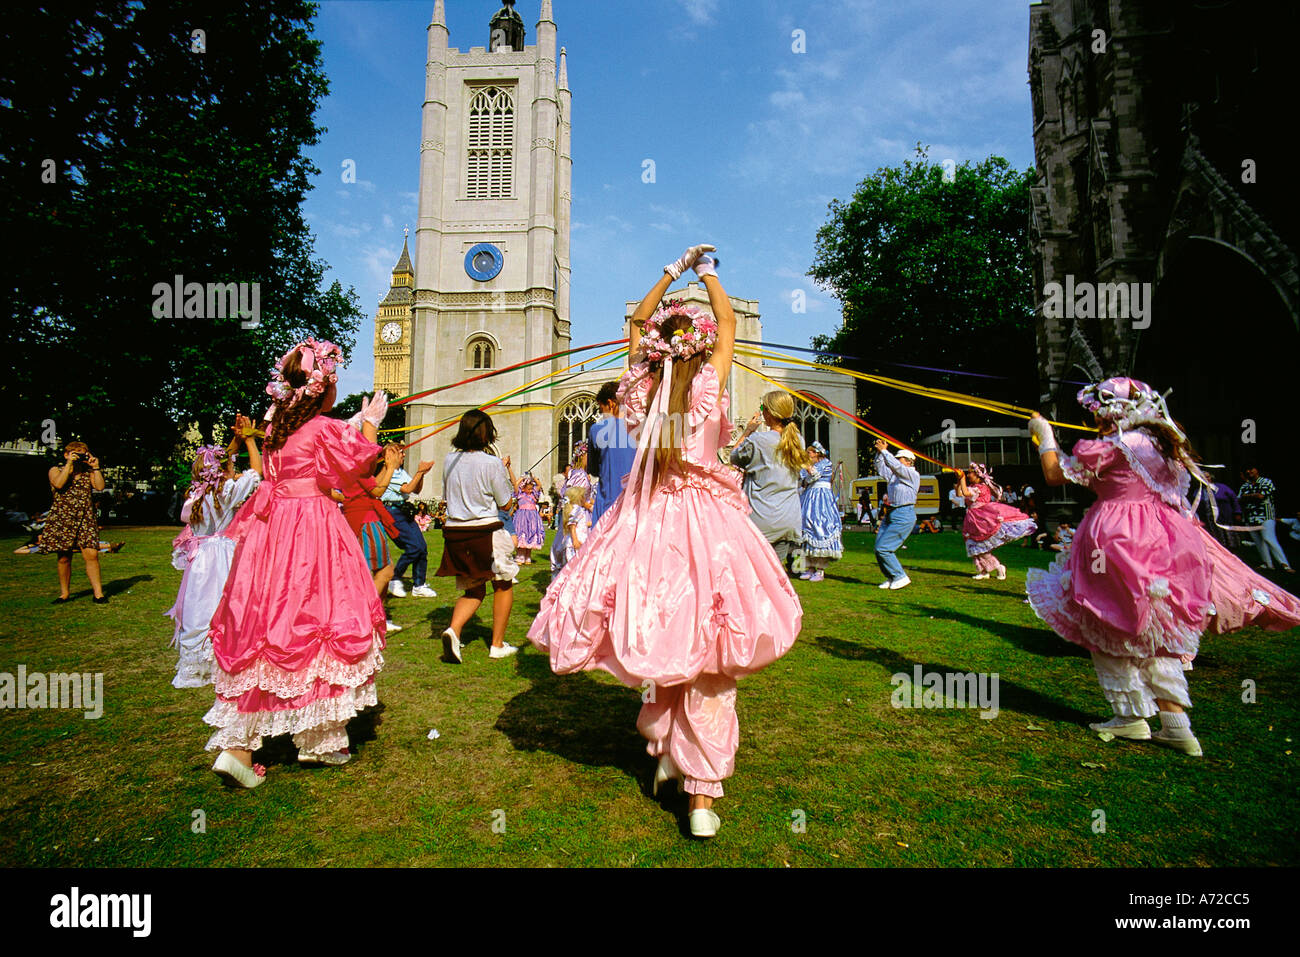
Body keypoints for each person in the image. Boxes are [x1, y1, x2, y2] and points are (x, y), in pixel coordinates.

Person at [529, 246, 802, 839]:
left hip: (649, 522)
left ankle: (665, 752)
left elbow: (633, 325)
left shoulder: (640, 390)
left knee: (662, 628)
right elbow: (728, 323)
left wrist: (670, 273)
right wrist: (708, 275)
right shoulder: (710, 381)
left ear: (654, 348)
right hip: (708, 526)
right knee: (710, 646)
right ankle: (701, 794)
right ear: (701, 346)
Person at [1026, 377, 1300, 757]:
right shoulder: (1163, 445)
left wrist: (1044, 436)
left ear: (1113, 412)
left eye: (1098, 413)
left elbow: (1056, 476)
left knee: (1105, 619)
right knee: (1152, 628)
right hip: (1162, 537)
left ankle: (1131, 717)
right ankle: (1176, 727)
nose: (1095, 421)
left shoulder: (1116, 445)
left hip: (1117, 536)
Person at [204, 340, 389, 787]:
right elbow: (355, 469)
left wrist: (354, 426)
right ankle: (319, 743)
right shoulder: (323, 427)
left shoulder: (275, 433)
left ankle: (238, 747)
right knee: (323, 617)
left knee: (265, 624)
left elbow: (315, 467)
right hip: (313, 529)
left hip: (271, 532)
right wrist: (369, 426)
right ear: (320, 388)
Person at [167, 421, 262, 688]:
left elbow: (221, 460)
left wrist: (236, 441)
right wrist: (250, 441)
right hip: (222, 554)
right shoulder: (227, 493)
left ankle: (194, 662)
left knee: (198, 605)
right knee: (224, 602)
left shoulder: (196, 492)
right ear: (223, 472)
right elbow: (256, 472)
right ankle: (224, 655)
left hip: (199, 559)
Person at [435, 411, 520, 663]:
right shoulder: (491, 463)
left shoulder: (449, 460)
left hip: (456, 533)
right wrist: (504, 477)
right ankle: (497, 644)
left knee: (474, 589)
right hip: (485, 532)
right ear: (487, 434)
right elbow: (505, 503)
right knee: (503, 584)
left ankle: (454, 630)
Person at [730, 391, 807, 574]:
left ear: (769, 413)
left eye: (763, 408)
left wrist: (748, 431)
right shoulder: (799, 441)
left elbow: (734, 456)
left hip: (763, 517)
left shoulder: (758, 440)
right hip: (789, 517)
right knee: (774, 575)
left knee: (752, 575)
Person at [337, 443, 407, 634]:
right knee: (384, 571)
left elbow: (373, 485)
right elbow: (377, 491)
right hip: (366, 521)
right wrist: (391, 467)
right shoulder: (357, 470)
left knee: (381, 570)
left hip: (363, 519)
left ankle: (377, 616)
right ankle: (364, 616)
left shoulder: (354, 471)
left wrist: (386, 465)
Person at [40, 441, 108, 604]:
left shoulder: (88, 471)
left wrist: (96, 467)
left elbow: (99, 487)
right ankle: (64, 593)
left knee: (91, 554)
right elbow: (59, 483)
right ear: (66, 454)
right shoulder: (55, 470)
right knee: (64, 557)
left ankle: (98, 593)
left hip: (85, 517)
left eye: (82, 453)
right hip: (63, 518)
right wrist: (69, 464)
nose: (79, 456)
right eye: (75, 453)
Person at [956, 462, 1036, 580]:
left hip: (982, 518)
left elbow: (966, 493)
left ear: (978, 475)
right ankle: (984, 571)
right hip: (973, 518)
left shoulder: (981, 488)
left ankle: (998, 567)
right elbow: (960, 493)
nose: (968, 475)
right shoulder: (973, 487)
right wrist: (959, 480)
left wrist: (962, 478)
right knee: (974, 545)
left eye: (970, 473)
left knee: (980, 546)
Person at [382, 445, 438, 599]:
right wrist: (419, 472)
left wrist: (422, 475)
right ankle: (395, 578)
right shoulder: (389, 472)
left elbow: (416, 489)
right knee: (413, 546)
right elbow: (407, 489)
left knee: (422, 547)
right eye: (400, 452)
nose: (403, 455)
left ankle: (419, 585)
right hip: (392, 512)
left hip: (403, 510)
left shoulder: (400, 472)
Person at [587, 380, 638, 527]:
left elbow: (593, 470)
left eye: (601, 408)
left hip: (607, 507)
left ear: (610, 403)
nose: (601, 413)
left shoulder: (597, 430)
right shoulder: (641, 427)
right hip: (635, 506)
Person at [873, 440, 920, 589]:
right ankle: (891, 576)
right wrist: (879, 452)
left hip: (904, 513)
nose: (895, 461)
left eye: (899, 458)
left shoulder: (912, 474)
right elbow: (880, 467)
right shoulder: (895, 476)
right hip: (891, 513)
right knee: (878, 548)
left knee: (884, 548)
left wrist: (886, 452)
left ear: (908, 462)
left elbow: (896, 466)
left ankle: (900, 576)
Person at [798, 442, 842, 582]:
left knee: (821, 526)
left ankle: (820, 569)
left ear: (817, 453)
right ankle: (810, 567)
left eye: (810, 453)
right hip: (809, 496)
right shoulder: (809, 466)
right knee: (808, 526)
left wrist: (806, 467)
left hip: (822, 497)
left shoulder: (826, 464)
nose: (808, 455)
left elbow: (814, 476)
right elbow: (804, 480)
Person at [1238, 465, 1292, 573]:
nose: (1249, 472)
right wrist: (1253, 496)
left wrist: (1248, 496)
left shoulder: (1266, 482)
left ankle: (1285, 564)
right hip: (1251, 517)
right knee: (1258, 541)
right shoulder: (1245, 485)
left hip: (1266, 515)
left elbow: (1261, 496)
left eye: (1251, 469)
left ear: (1257, 470)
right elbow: (1239, 498)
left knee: (1268, 538)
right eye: (1247, 470)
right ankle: (1267, 564)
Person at [513, 474, 545, 564]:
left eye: (531, 488)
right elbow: (515, 484)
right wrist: (522, 478)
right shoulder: (520, 494)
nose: (530, 490)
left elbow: (539, 485)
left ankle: (528, 557)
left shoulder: (533, 494)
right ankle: (520, 556)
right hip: (522, 517)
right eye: (529, 489)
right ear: (523, 488)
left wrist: (533, 477)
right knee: (522, 534)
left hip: (532, 517)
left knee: (531, 534)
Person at [562, 486, 593, 564]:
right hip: (577, 540)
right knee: (576, 564)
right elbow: (572, 525)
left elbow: (579, 523)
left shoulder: (575, 509)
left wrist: (590, 523)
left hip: (578, 539)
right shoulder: (577, 509)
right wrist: (575, 540)